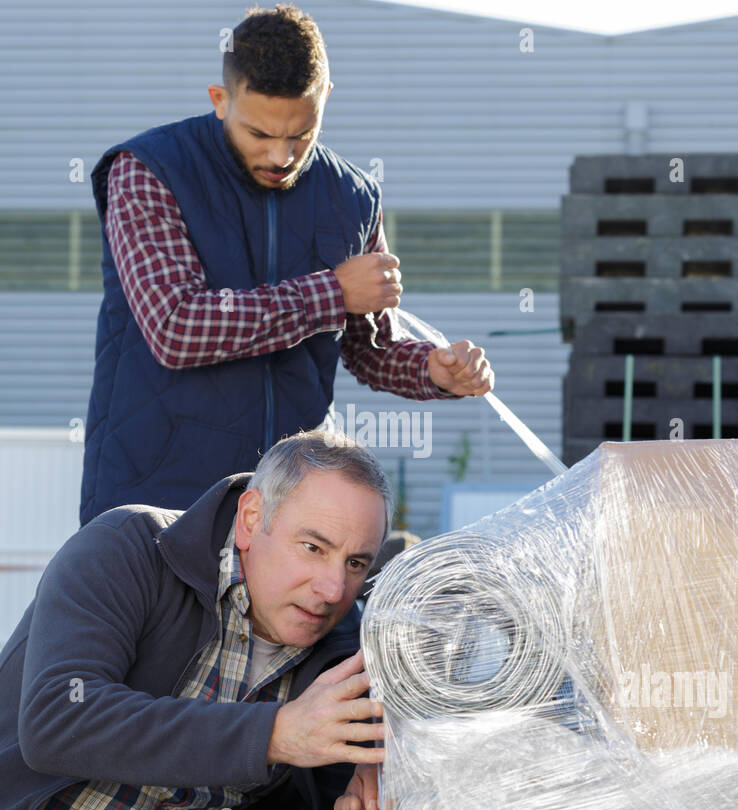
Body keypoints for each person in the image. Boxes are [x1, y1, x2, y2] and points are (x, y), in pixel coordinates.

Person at [0, 430, 389, 810]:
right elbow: (58, 721)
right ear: (252, 519)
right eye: (313, 547)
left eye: (355, 564)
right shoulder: (132, 548)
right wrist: (274, 735)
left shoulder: (344, 652)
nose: (332, 589)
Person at [78, 2, 494, 526]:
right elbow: (176, 328)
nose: (280, 156)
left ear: (325, 99)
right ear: (220, 100)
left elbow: (371, 350)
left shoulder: (353, 196)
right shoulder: (148, 171)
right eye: (260, 134)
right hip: (158, 499)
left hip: (291, 505)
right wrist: (333, 293)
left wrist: (433, 371)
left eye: (300, 135)